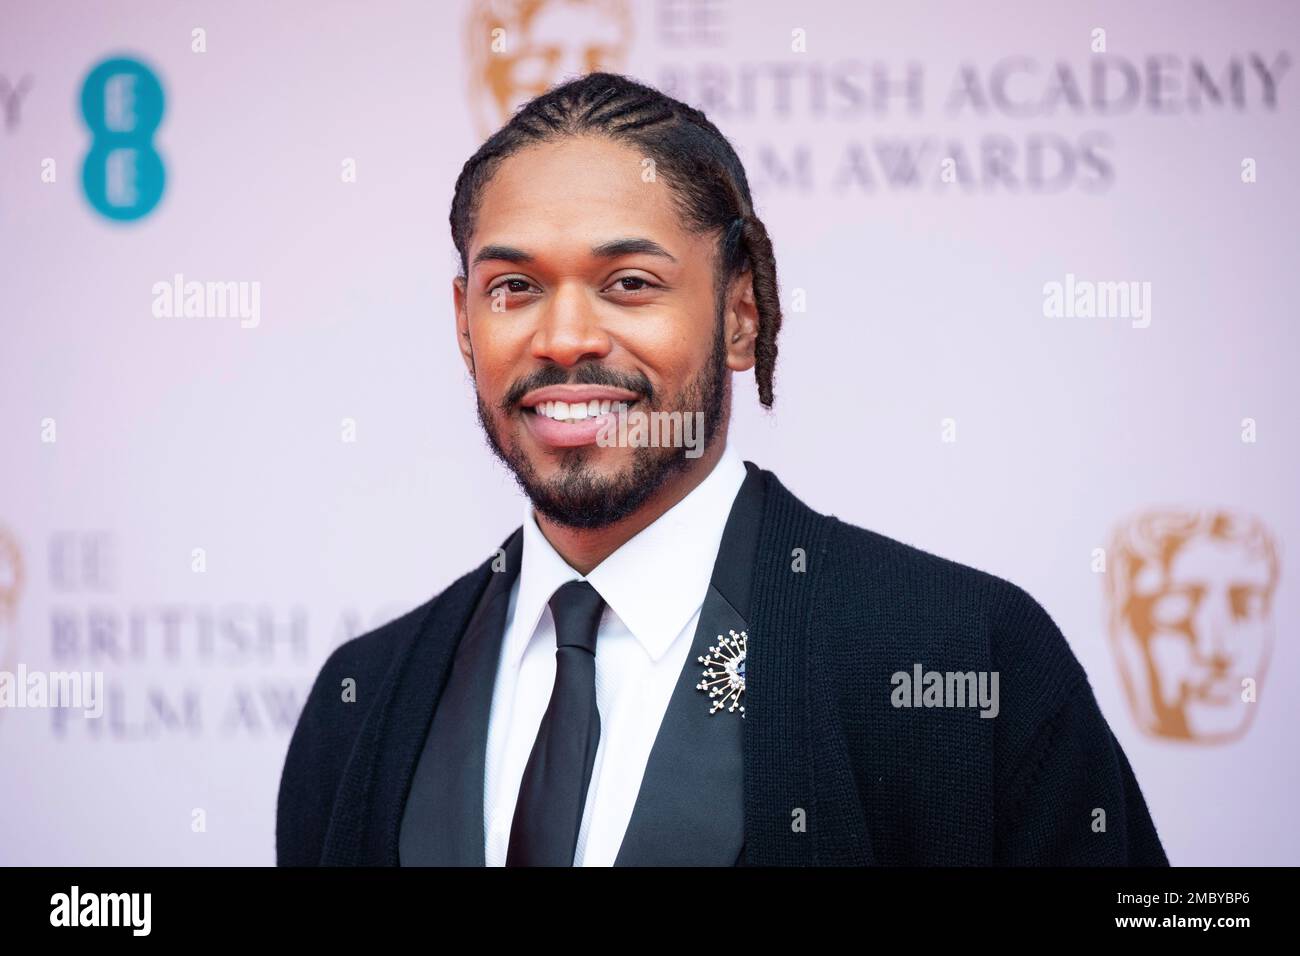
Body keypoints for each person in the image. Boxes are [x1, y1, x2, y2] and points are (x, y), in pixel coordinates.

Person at [276, 72, 1168, 867]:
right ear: (465, 324)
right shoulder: (360, 707)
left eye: (629, 282)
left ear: (742, 316)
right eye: (514, 287)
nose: (563, 339)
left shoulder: (963, 658)